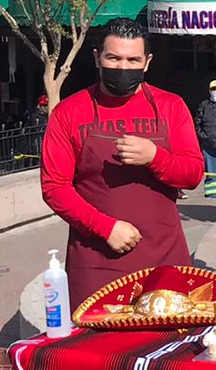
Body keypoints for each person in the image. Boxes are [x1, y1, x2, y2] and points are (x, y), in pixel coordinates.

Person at [40, 18, 205, 310]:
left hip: (165, 261)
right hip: (96, 264)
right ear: (97, 58)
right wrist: (104, 227)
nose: (123, 67)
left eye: (133, 60)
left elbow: (192, 175)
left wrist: (155, 157)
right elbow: (55, 187)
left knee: (168, 338)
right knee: (96, 341)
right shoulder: (68, 113)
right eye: (114, 58)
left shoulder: (171, 107)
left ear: (147, 62)